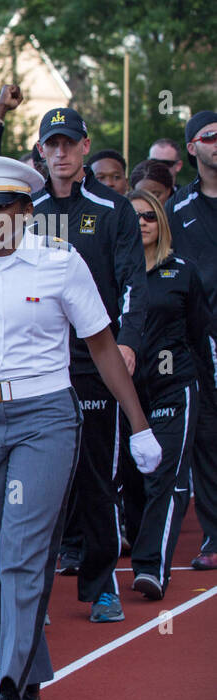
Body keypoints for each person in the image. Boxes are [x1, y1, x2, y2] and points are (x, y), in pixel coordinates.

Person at [0, 155, 161, 700]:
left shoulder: (61, 263)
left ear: (26, 211)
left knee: (20, 552)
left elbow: (103, 346)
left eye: (2, 209)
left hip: (45, 417)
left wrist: (140, 425)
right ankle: (27, 669)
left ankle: (8, 688)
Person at [0, 102, 152, 621]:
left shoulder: (112, 209)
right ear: (40, 150)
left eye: (68, 144)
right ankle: (34, 594)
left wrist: (127, 341)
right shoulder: (23, 206)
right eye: (50, 144)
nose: (59, 153)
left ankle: (102, 585)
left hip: (94, 364)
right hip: (35, 365)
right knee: (38, 483)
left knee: (97, 478)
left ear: (83, 147)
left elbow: (133, 282)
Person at [125, 187, 215, 598]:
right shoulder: (113, 273)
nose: (142, 222)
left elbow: (200, 335)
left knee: (165, 476)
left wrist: (206, 390)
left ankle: (151, 569)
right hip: (125, 394)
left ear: (161, 222)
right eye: (134, 216)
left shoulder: (183, 271)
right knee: (128, 479)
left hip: (174, 388)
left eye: (149, 216)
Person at [168, 111, 217, 569]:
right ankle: (215, 535)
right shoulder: (177, 211)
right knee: (208, 438)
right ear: (192, 148)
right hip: (202, 341)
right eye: (210, 136)